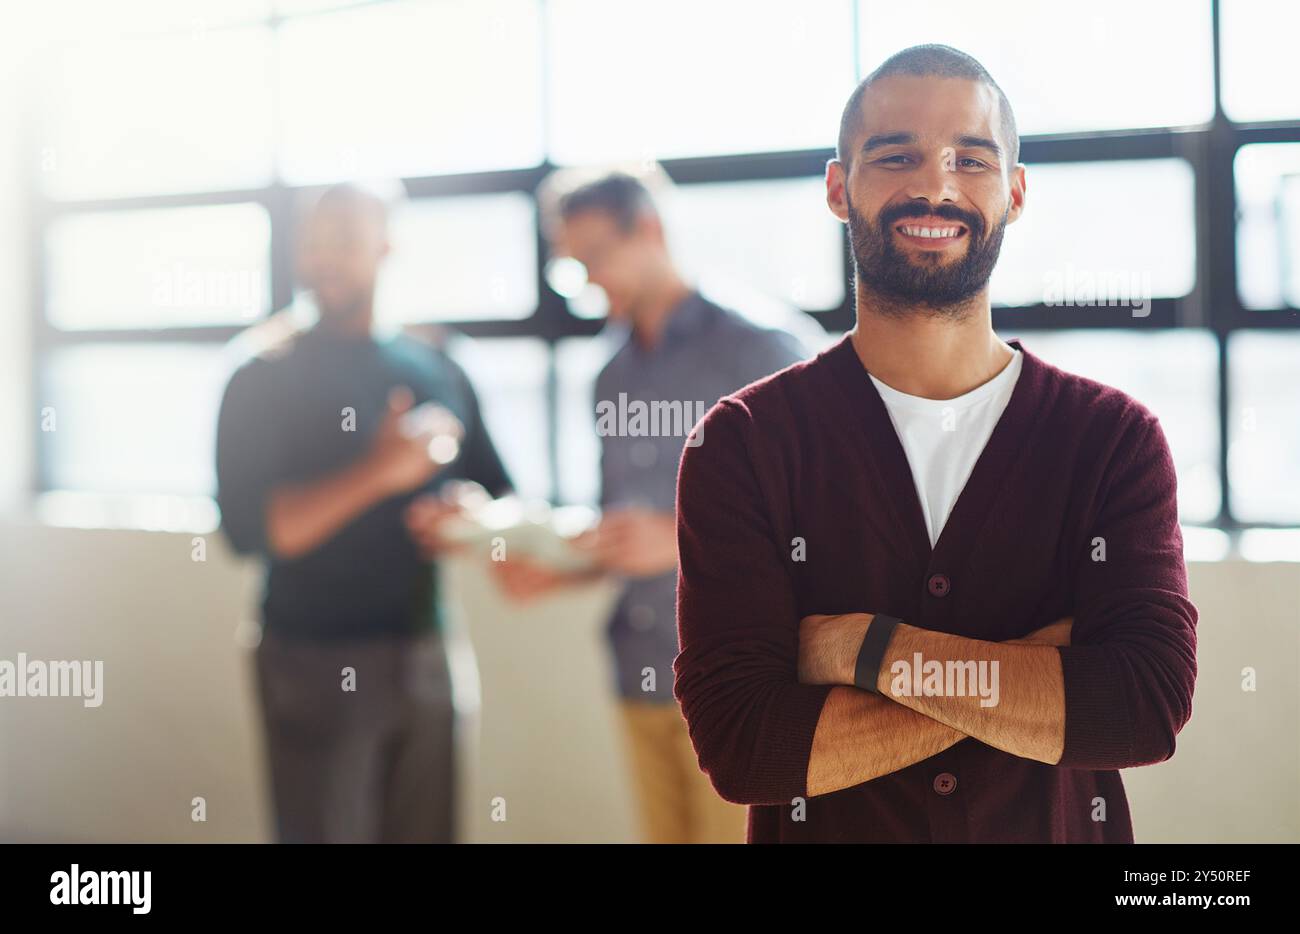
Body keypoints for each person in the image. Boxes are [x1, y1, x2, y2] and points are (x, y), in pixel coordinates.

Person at [673, 44, 1198, 843]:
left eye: (971, 159)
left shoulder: (1112, 441)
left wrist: (864, 648)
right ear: (837, 188)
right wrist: (1039, 676)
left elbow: (1140, 709)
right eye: (896, 156)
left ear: (1015, 193)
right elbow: (748, 749)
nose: (935, 185)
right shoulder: (741, 444)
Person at [493, 167, 813, 843]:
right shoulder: (610, 374)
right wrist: (561, 573)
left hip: (741, 682)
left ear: (650, 229)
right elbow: (626, 537)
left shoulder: (759, 346)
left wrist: (678, 540)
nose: (588, 284)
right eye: (572, 269)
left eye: (596, 260)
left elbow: (825, 515)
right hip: (639, 671)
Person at [214, 181, 512, 843]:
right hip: (309, 659)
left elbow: (496, 498)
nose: (325, 259)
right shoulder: (262, 375)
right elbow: (254, 531)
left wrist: (464, 519)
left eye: (344, 240)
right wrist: (382, 471)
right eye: (312, 242)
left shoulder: (437, 366)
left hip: (425, 651)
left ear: (385, 244)